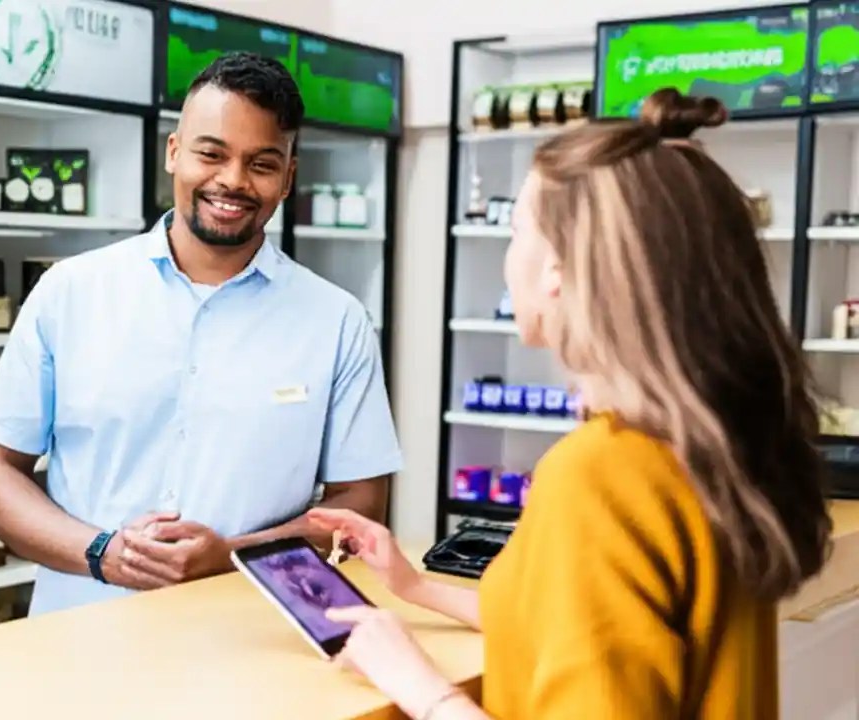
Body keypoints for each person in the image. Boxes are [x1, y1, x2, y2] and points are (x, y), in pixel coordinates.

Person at [309, 88, 833, 720]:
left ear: (556, 268)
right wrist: (414, 586)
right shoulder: (708, 444)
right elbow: (581, 624)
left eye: (515, 232)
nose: (508, 259)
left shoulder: (599, 479)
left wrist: (417, 684)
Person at [0, 51, 402, 616]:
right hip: (83, 636)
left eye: (261, 163)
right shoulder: (71, 291)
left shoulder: (336, 321)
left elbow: (360, 502)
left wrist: (233, 556)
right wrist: (106, 555)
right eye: (211, 153)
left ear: (288, 178)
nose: (233, 180)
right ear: (174, 152)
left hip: (254, 635)